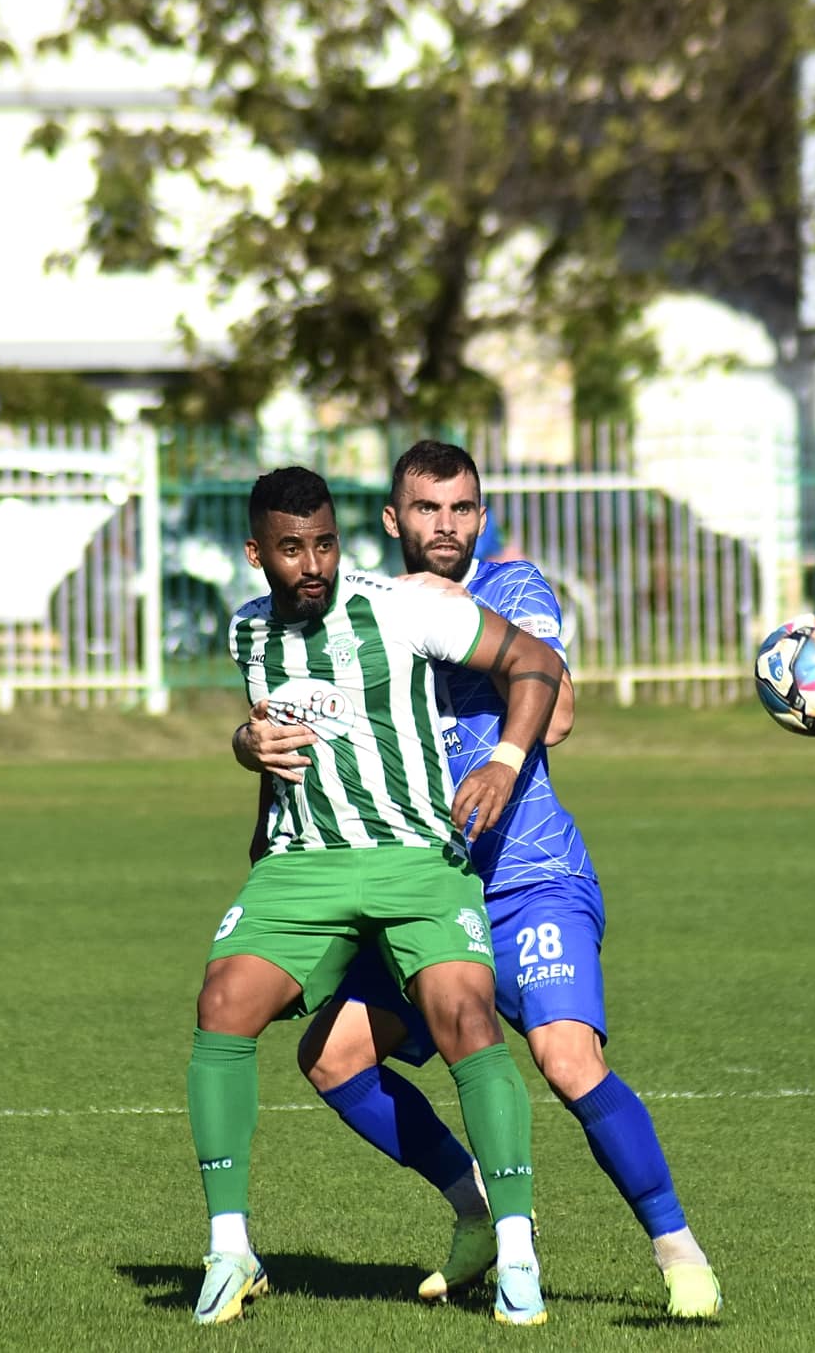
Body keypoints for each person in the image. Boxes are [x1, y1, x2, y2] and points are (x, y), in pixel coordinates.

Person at [235, 440, 721, 1319]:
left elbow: (560, 710)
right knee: (332, 1055)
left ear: (482, 517)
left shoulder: (513, 587)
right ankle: (477, 1208)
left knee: (567, 1061)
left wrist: (457, 620)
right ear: (393, 521)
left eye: (462, 510)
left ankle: (677, 1251)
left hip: (528, 875)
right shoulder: (358, 611)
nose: (446, 526)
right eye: (427, 510)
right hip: (423, 885)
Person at [189, 465, 565, 1328]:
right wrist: (248, 750)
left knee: (469, 1023)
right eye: (291, 549)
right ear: (257, 554)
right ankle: (230, 1249)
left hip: (414, 859)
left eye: (324, 542)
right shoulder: (249, 635)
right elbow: (280, 744)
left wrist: (505, 764)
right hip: (302, 865)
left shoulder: (401, 606)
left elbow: (534, 664)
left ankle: (516, 1250)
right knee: (221, 1007)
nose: (313, 562)